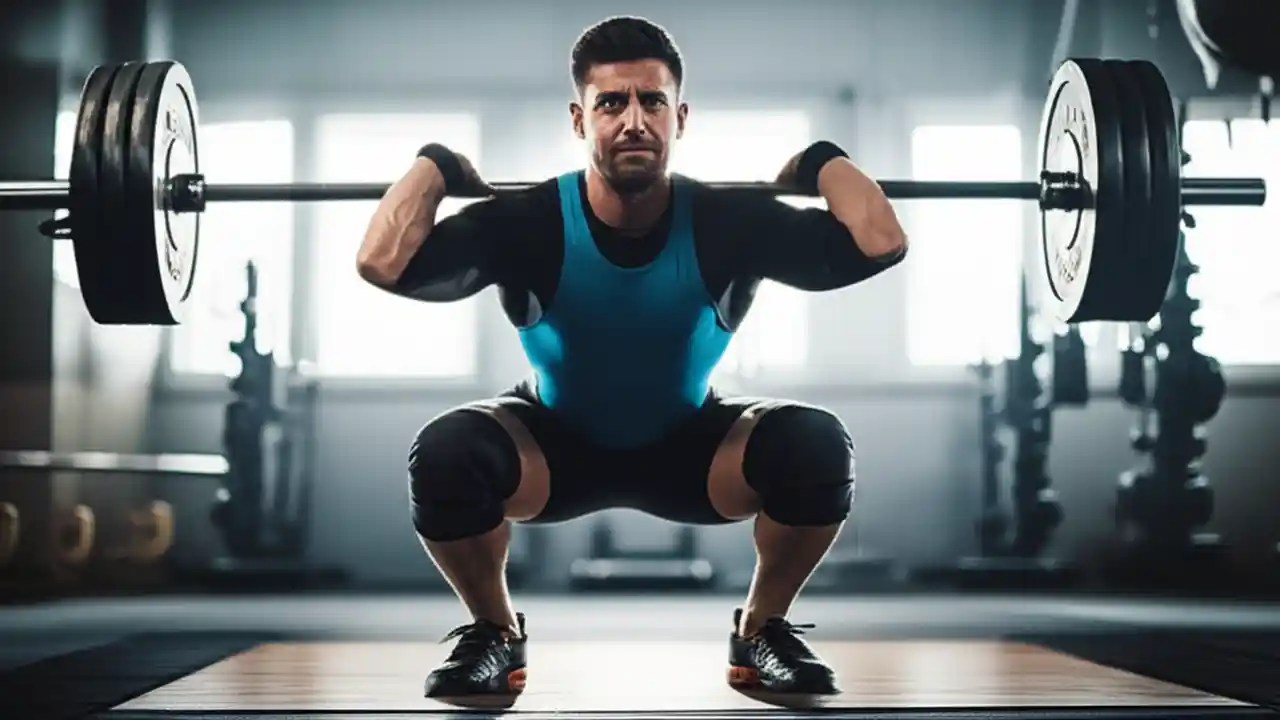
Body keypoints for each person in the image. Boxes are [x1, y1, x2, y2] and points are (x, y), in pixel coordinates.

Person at [357, 15, 907, 697]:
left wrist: (822, 159)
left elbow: (881, 240)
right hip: (549, 451)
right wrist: (433, 164)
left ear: (680, 117)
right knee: (443, 452)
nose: (634, 121)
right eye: (611, 103)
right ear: (579, 120)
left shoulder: (728, 220)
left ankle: (762, 631)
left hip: (696, 452)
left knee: (817, 444)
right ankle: (495, 634)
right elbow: (382, 262)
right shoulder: (526, 222)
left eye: (652, 102)